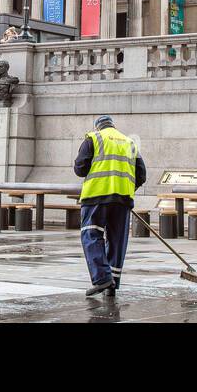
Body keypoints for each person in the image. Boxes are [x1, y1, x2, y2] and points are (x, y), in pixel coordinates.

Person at [73, 115, 146, 298]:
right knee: (117, 240)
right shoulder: (129, 142)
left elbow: (80, 168)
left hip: (96, 196)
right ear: (113, 126)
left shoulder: (93, 138)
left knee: (91, 234)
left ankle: (102, 277)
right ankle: (112, 283)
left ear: (97, 127)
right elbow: (141, 174)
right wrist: (127, 188)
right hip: (122, 199)